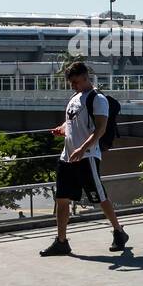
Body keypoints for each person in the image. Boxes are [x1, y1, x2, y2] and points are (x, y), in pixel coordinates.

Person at [41, 61, 128, 256]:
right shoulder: (74, 97)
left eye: (76, 82)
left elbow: (100, 129)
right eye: (71, 83)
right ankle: (61, 241)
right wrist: (61, 129)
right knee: (61, 198)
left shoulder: (98, 100)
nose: (73, 86)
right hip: (67, 157)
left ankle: (119, 231)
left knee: (99, 197)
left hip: (87, 156)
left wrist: (82, 148)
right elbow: (72, 122)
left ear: (86, 78)